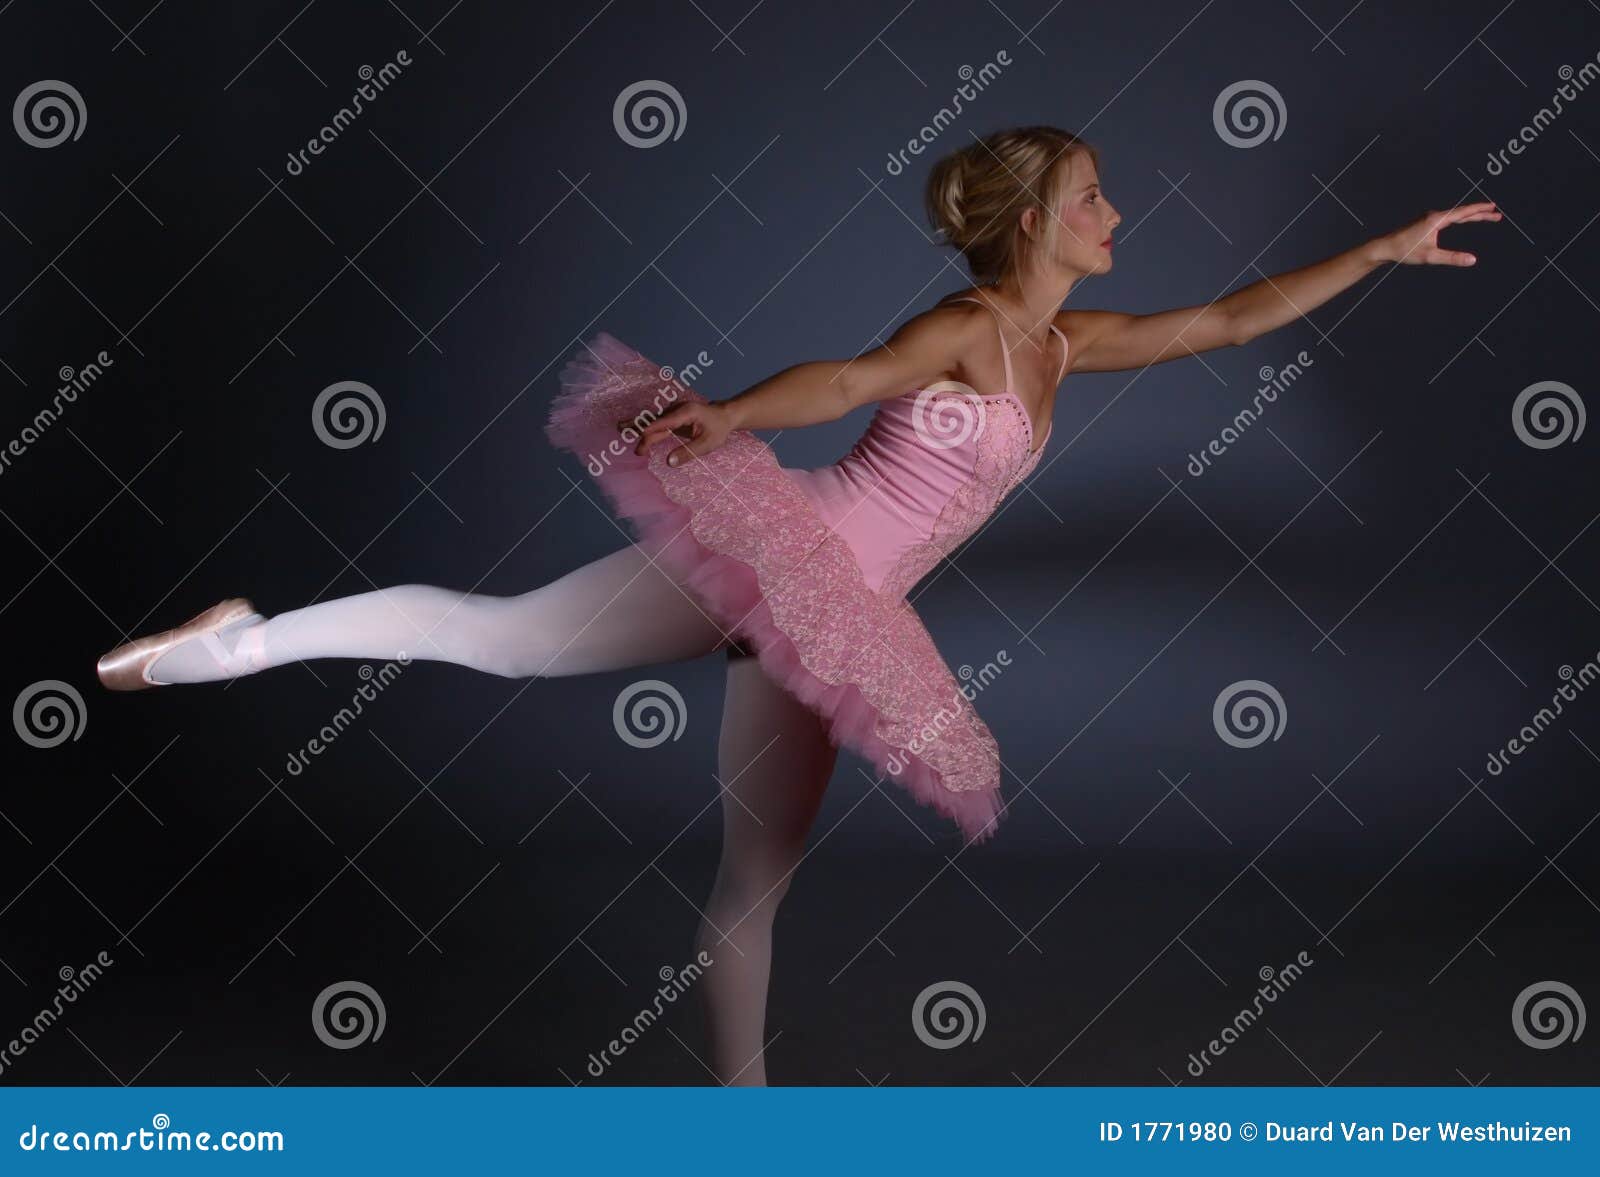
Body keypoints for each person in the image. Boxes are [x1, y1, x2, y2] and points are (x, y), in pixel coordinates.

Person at [94, 125, 1499, 1084]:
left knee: (755, 881)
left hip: (840, 626)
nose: (1117, 214)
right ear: (1034, 222)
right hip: (789, 560)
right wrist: (725, 418)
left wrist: (1381, 250)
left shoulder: (1070, 344)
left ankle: (745, 1122)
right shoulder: (962, 329)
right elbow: (841, 384)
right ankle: (243, 641)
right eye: (1094, 196)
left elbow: (1231, 320)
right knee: (503, 639)